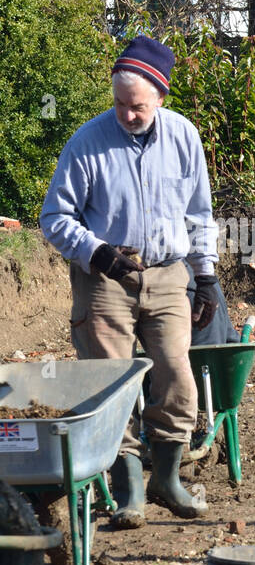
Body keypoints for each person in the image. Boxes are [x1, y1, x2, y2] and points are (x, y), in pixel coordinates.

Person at [40, 35, 217, 527]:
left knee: (177, 377)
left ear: (160, 96)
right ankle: (127, 490)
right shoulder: (88, 141)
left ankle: (167, 478)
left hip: (168, 275)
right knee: (111, 383)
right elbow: (54, 217)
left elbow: (199, 213)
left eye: (137, 106)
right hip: (105, 280)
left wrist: (206, 275)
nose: (127, 114)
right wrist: (97, 252)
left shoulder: (184, 137)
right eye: (120, 103)